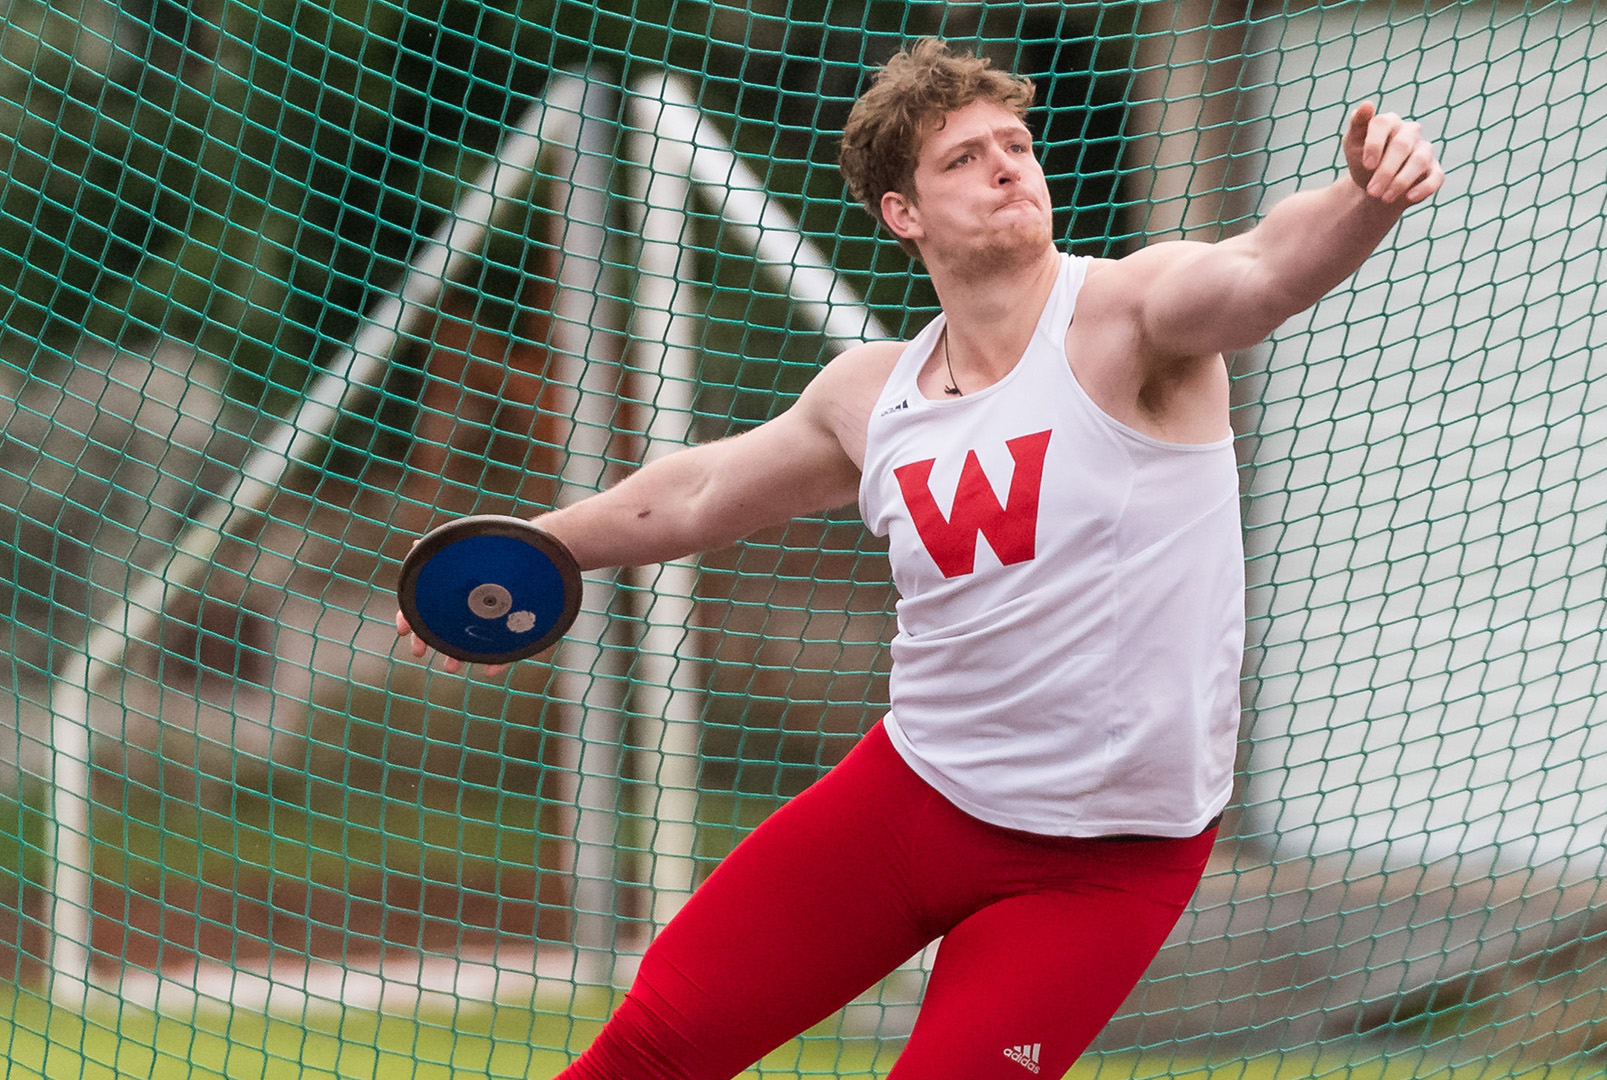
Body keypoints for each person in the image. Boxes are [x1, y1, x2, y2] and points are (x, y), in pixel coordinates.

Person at [399, 36, 1442, 1080]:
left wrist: (1364, 201)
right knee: (651, 1049)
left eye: (1017, 146)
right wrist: (520, 551)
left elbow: (1258, 271)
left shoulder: (1130, 320)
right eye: (964, 158)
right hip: (910, 804)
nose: (1007, 167)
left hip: (1101, 861)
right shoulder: (872, 394)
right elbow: (698, 491)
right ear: (904, 213)